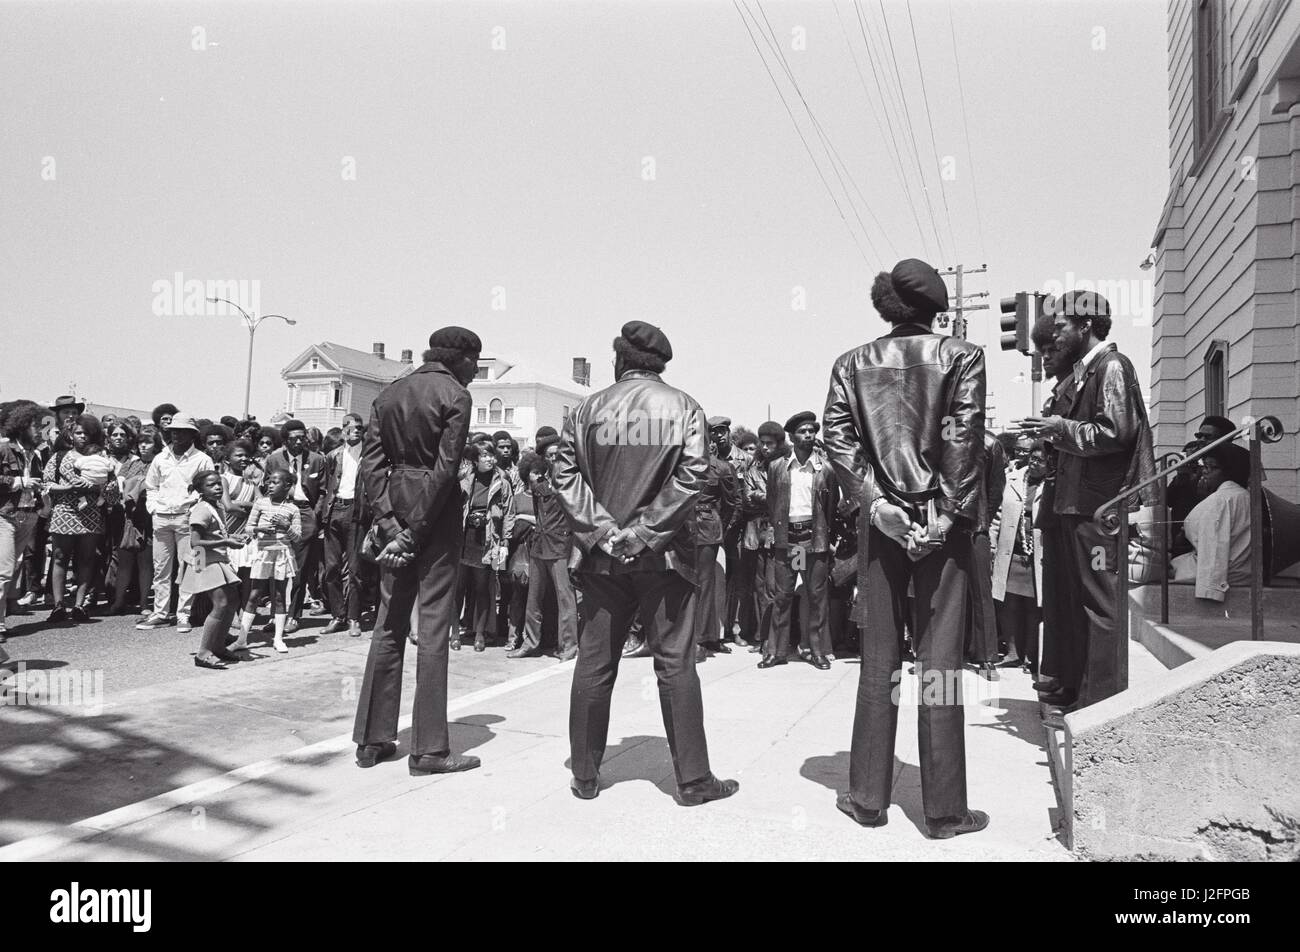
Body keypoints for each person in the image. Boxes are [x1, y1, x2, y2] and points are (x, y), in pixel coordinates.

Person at [822, 257, 988, 838]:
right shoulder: (962, 356)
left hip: (881, 525)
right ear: (935, 307)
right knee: (940, 664)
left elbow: (837, 441)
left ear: (886, 307)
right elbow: (962, 440)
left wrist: (876, 504)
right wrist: (943, 516)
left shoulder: (851, 363)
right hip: (941, 527)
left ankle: (867, 796)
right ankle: (944, 810)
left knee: (880, 661)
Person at [552, 320, 737, 806]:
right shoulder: (683, 406)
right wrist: (645, 532)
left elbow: (565, 475)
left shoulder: (587, 410)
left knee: (594, 664)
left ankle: (586, 776)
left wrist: (604, 531)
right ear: (660, 365)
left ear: (619, 361)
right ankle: (694, 780)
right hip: (665, 557)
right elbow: (693, 473)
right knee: (675, 664)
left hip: (601, 559)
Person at [1017, 290, 1156, 714]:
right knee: (1075, 604)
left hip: (1099, 510)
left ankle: (1102, 703)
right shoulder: (1086, 372)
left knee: (1100, 606)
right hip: (1076, 506)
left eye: (1062, 325)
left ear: (1087, 325)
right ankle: (1077, 688)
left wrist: (1059, 427)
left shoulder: (1112, 366)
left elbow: (1116, 433)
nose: (1055, 332)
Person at [352, 326, 483, 776]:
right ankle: (428, 749)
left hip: (392, 504)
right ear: (461, 358)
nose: (474, 374)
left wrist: (389, 524)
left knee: (388, 624)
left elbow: (371, 465)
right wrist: (414, 533)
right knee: (432, 630)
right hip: (435, 517)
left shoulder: (389, 394)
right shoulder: (455, 395)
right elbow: (446, 471)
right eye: (475, 364)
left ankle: (371, 739)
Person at [760, 411, 838, 670]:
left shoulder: (825, 468)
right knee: (782, 596)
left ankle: (817, 651)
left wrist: (827, 537)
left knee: (816, 597)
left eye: (811, 431)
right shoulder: (777, 467)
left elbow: (830, 507)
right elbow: (772, 504)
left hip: (813, 539)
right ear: (792, 437)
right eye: (803, 431)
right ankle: (776, 651)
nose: (808, 435)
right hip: (788, 539)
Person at [136, 415, 215, 632]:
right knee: (161, 568)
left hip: (187, 519)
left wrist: (195, 513)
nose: (176, 434)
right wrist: (153, 508)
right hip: (161, 517)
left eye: (181, 430)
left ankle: (183, 615)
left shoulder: (202, 459)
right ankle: (160, 613)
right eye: (173, 430)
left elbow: (207, 488)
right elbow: (151, 486)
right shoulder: (160, 458)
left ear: (192, 434)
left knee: (188, 567)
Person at [42, 413, 119, 622]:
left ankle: (79, 605)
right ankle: (58, 605)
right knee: (59, 557)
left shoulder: (102, 460)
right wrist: (68, 487)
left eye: (86, 433)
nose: (82, 436)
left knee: (87, 559)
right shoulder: (58, 458)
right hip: (63, 512)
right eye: (78, 432)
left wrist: (94, 486)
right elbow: (46, 484)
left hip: (91, 513)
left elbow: (113, 492)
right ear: (70, 434)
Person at [510, 428, 578, 660]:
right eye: (549, 455)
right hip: (539, 544)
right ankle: (530, 643)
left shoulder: (570, 479)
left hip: (560, 545)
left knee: (564, 599)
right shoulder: (539, 482)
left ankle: (568, 646)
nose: (553, 458)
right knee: (533, 599)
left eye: (556, 454)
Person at [264, 419, 328, 632]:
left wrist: (315, 515)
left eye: (302, 438)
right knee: (277, 566)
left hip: (305, 513)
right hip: (280, 511)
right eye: (294, 439)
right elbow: (266, 487)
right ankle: (275, 616)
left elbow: (323, 492)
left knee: (299, 569)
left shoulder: (317, 460)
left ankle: (294, 616)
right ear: (285, 441)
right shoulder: (273, 459)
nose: (299, 442)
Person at [1170, 442, 1252, 600]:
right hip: (1241, 570)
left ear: (1229, 471)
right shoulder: (1241, 495)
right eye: (1204, 466)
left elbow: (1214, 548)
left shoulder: (1220, 501)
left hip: (1222, 574)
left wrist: (1210, 589)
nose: (1204, 473)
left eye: (1210, 467)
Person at [991, 441, 1046, 675]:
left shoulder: (1052, 484)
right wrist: (992, 546)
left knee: (1034, 609)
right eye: (1032, 458)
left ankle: (1032, 657)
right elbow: (997, 516)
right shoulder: (1013, 479)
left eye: (1040, 460)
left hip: (1037, 558)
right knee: (1008, 605)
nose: (1034, 462)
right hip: (1010, 553)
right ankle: (1013, 653)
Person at [456, 442, 515, 652]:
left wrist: (505, 541)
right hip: (465, 536)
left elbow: (509, 513)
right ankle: (455, 632)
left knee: (482, 589)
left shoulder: (502, 481)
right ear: (475, 459)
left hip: (488, 538)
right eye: (485, 456)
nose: (490, 459)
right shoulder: (465, 478)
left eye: (491, 455)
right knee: (459, 588)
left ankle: (480, 634)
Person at [184, 471, 246, 669]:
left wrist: (231, 538)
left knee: (233, 600)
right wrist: (226, 541)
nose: (218, 487)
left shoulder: (215, 506)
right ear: (201, 490)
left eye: (219, 483)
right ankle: (203, 653)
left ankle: (218, 646)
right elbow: (195, 543)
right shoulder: (201, 509)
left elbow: (214, 533)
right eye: (211, 485)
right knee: (220, 604)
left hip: (218, 558)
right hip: (207, 560)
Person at [235, 468, 301, 653]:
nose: (269, 485)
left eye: (275, 482)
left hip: (282, 554)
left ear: (287, 486)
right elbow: (249, 528)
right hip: (263, 552)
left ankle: (278, 639)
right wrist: (261, 529)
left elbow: (297, 538)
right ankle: (242, 638)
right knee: (255, 593)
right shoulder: (261, 503)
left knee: (280, 596)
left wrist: (286, 526)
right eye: (269, 482)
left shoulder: (293, 509)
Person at [692, 416, 741, 657]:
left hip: (708, 528)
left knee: (704, 584)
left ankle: (702, 640)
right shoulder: (681, 463)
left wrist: (720, 525)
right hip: (683, 529)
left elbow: (733, 503)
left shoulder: (721, 467)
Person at [0, 401, 47, 641]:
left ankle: (7, 610)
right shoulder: (4, 449)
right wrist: (18, 482)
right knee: (4, 570)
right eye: (35, 425)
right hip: (6, 515)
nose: (40, 430)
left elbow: (36, 483)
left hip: (28, 515)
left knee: (14, 567)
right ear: (20, 427)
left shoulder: (36, 454)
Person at [966, 429, 1006, 679]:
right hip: (945, 526)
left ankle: (986, 656)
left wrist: (982, 520)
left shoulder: (990, 444)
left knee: (981, 592)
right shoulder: (941, 435)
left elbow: (995, 490)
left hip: (975, 528)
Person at [320, 413, 364, 635]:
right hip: (334, 509)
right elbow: (326, 485)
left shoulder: (369, 455)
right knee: (331, 568)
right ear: (343, 429)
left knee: (356, 570)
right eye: (352, 427)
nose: (356, 430)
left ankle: (354, 618)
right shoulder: (333, 455)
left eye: (359, 427)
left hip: (357, 512)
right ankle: (338, 615)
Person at [105, 421, 151, 616]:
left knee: (145, 563)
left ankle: (144, 604)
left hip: (150, 517)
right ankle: (118, 601)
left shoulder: (159, 463)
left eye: (148, 443)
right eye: (141, 442)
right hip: (129, 517)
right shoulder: (130, 464)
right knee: (124, 562)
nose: (143, 446)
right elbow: (117, 486)